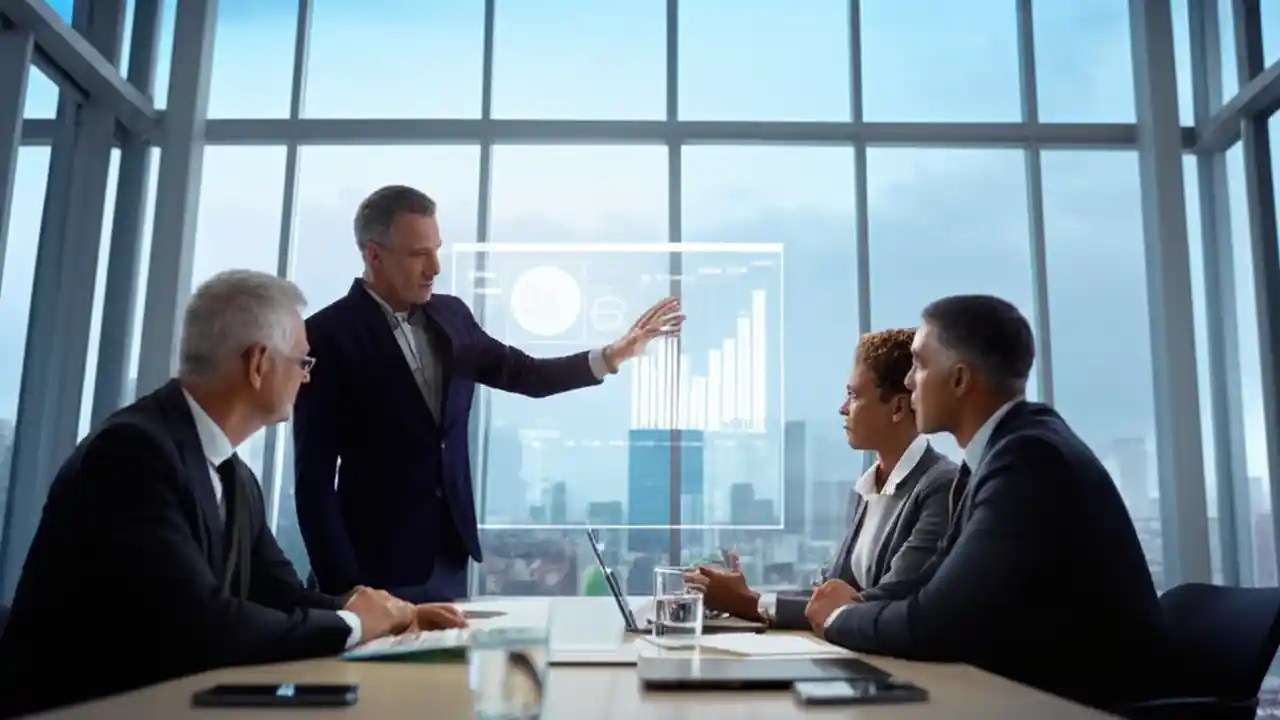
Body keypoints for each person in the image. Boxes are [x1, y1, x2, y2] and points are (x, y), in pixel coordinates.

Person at [0, 271, 467, 718]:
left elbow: (278, 592)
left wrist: (393, 615)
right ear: (259, 364)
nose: (307, 378)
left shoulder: (233, 474)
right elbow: (202, 626)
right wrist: (357, 625)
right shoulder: (132, 455)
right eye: (303, 362)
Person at [294, 185, 684, 602]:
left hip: (448, 557)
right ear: (374, 255)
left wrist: (612, 354)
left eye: (437, 250)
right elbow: (312, 480)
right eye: (418, 254)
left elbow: (526, 375)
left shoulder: (452, 316)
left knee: (446, 668)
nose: (435, 267)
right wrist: (345, 588)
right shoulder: (325, 336)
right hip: (372, 566)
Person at [805, 295, 1166, 710]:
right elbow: (929, 583)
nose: (907, 382)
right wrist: (850, 605)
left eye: (919, 364)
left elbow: (935, 623)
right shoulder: (1002, 453)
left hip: (1077, 704)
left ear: (959, 380)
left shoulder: (1027, 460)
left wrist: (840, 618)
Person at [686, 329, 955, 628]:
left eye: (853, 395)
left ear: (898, 407)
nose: (843, 408)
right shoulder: (869, 488)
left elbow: (885, 603)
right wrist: (746, 596)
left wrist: (748, 603)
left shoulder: (941, 487)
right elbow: (829, 595)